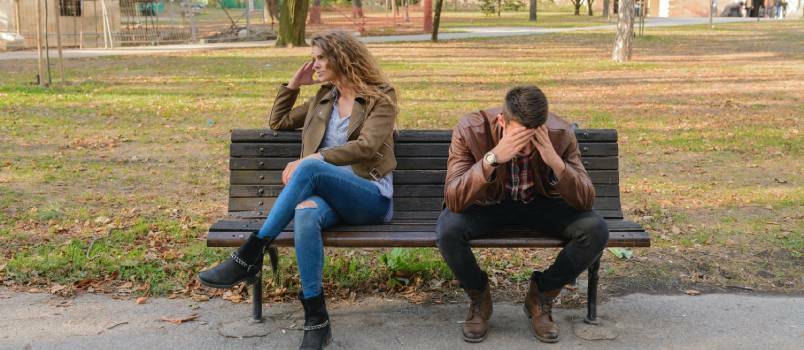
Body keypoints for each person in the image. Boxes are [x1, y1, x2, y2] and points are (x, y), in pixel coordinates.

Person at [198, 30, 398, 350]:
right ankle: (316, 320)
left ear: (341, 57)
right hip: (328, 196)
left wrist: (317, 158)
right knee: (305, 214)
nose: (314, 64)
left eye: (320, 58)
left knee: (308, 166)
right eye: (313, 58)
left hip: (369, 195)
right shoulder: (324, 98)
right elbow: (278, 122)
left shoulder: (380, 95)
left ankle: (250, 254)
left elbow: (367, 146)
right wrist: (292, 85)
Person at [436, 86, 609, 343]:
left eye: (533, 139)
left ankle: (541, 295)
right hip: (488, 205)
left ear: (543, 127)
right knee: (448, 230)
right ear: (502, 121)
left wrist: (553, 159)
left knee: (595, 230)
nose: (525, 148)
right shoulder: (471, 129)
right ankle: (479, 297)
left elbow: (585, 200)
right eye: (518, 138)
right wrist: (492, 159)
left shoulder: (560, 134)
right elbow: (454, 199)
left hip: (540, 204)